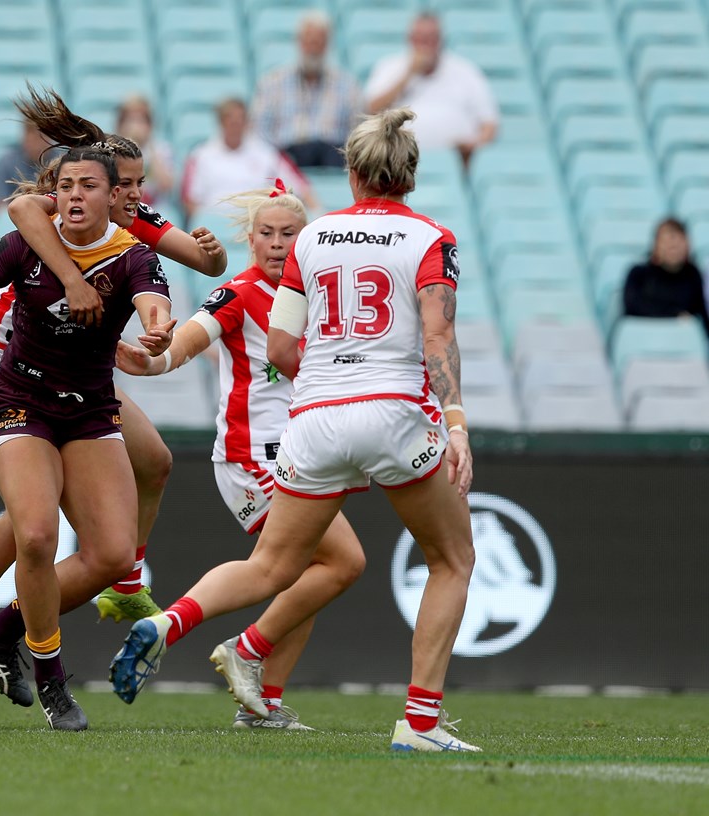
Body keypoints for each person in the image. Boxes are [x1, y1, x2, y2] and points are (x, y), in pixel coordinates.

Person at [111, 108, 482, 753]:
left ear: (354, 172)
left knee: (275, 566)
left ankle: (183, 627)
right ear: (410, 176)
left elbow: (282, 346)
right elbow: (438, 336)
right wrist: (453, 423)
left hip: (311, 420)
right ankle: (419, 723)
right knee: (451, 559)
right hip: (394, 413)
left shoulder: (316, 242)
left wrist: (333, 379)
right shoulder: (432, 239)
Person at [0, 87, 225, 713]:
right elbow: (27, 211)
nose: (137, 194)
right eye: (126, 183)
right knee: (32, 512)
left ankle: (117, 579)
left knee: (155, 460)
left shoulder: (133, 227)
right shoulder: (50, 216)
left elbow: (197, 266)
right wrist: (73, 278)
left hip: (80, 372)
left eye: (136, 184)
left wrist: (212, 255)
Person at [115, 181, 365, 729]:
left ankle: (263, 702)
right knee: (338, 562)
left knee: (301, 576)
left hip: (303, 452)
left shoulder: (318, 295)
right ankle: (226, 643)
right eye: (267, 234)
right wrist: (154, 361)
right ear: (251, 242)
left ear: (307, 241)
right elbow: (192, 338)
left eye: (289, 234)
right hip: (256, 456)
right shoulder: (240, 292)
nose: (277, 243)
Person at [365, 13, 498, 160]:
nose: (425, 46)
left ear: (441, 41)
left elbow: (489, 124)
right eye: (420, 39)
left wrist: (472, 146)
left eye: (431, 39)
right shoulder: (389, 67)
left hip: (457, 162)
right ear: (410, 40)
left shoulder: (465, 71)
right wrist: (408, 74)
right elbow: (371, 111)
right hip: (398, 160)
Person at [251, 11, 361, 169]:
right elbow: (259, 132)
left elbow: (357, 133)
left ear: (328, 45)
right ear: (299, 42)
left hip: (333, 161)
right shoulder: (272, 83)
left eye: (319, 43)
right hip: (286, 161)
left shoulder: (348, 86)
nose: (313, 49)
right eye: (309, 42)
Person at [181, 98, 319, 222]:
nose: (235, 126)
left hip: (256, 224)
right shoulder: (200, 156)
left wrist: (318, 215)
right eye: (230, 121)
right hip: (214, 227)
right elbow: (190, 201)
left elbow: (300, 186)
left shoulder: (267, 153)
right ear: (221, 122)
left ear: (247, 123)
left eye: (240, 120)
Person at [623, 218, 709, 337]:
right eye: (667, 242)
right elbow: (632, 307)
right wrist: (675, 316)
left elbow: (703, 317)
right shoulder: (638, 274)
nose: (673, 245)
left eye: (678, 241)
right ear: (655, 246)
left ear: (687, 244)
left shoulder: (693, 275)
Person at [115, 95, 174, 206]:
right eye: (130, 120)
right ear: (120, 124)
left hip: (154, 207)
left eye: (141, 121)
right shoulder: (110, 149)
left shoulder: (161, 149)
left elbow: (166, 185)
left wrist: (152, 151)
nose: (136, 126)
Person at [0, 121, 59, 211]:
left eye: (40, 138)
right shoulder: (6, 162)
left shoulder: (63, 161)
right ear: (24, 137)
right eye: (32, 138)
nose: (36, 145)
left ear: (50, 138)